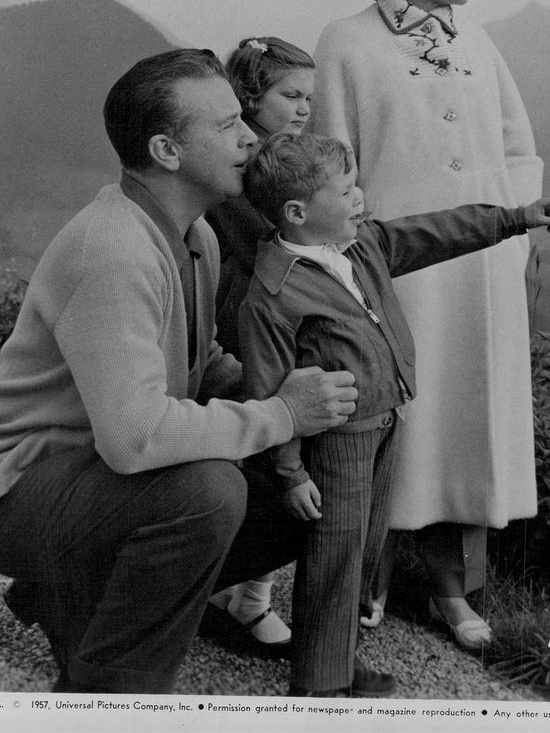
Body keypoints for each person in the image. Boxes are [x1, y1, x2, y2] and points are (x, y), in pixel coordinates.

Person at [0, 49, 357, 695]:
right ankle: (109, 687)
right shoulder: (112, 249)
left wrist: (296, 402)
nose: (250, 135)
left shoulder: (198, 237)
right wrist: (279, 414)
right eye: (225, 126)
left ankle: (73, 594)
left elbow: (198, 365)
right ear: (167, 151)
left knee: (294, 483)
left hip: (92, 480)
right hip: (10, 496)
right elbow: (136, 437)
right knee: (209, 490)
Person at [238, 131, 550, 696]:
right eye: (345, 192)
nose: (360, 198)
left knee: (364, 547)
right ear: (297, 213)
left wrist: (515, 218)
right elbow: (269, 392)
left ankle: (339, 660)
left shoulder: (361, 245)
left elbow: (435, 232)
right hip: (336, 441)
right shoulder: (272, 294)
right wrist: (290, 473)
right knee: (335, 554)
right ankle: (320, 684)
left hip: (389, 420)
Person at [309, 0, 544, 649]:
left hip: (476, 273)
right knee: (391, 417)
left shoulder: (477, 39)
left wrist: (509, 243)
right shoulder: (346, 43)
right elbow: (332, 160)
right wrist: (354, 261)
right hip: (397, 271)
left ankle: (453, 590)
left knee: (463, 420)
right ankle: (365, 574)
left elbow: (517, 149)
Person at [204, 36, 315, 652]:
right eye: (289, 95)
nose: (303, 108)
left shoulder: (283, 160)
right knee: (258, 456)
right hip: (236, 319)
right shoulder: (240, 174)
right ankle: (239, 598)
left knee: (271, 455)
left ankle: (246, 596)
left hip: (271, 320)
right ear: (250, 96)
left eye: (308, 98)